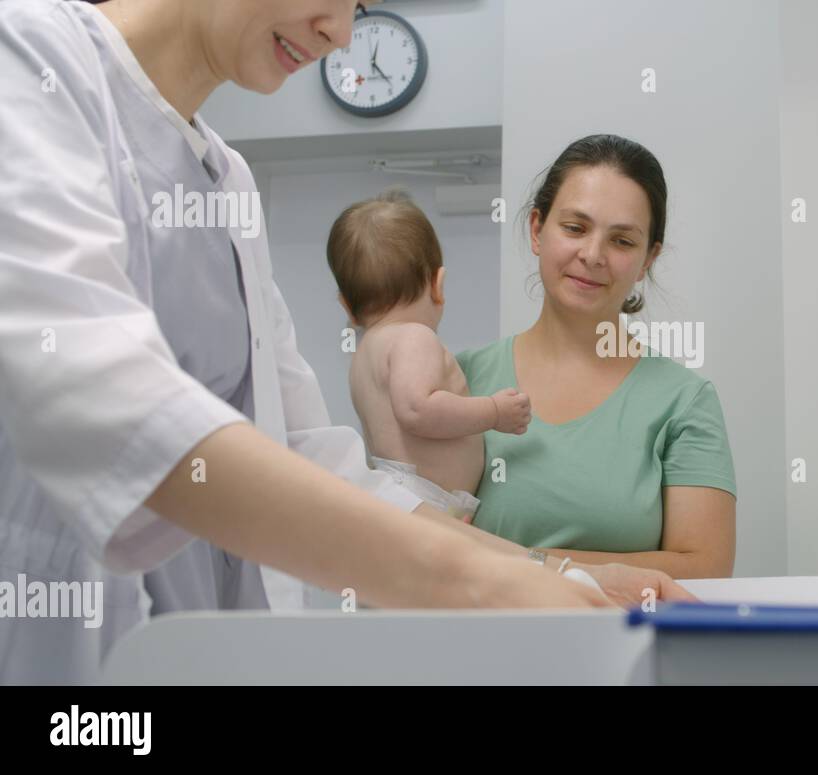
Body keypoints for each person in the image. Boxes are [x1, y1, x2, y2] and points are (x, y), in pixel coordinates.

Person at [0, 0, 689, 685]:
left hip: (201, 656)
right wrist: (473, 582)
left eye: (357, 7)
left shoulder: (227, 180)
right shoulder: (30, 57)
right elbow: (102, 398)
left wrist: (552, 572)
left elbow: (310, 455)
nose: (340, 34)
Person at [458, 135, 738, 579]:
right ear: (537, 229)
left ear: (648, 259)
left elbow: (704, 569)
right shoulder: (459, 378)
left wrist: (527, 563)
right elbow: (408, 536)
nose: (592, 255)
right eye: (575, 228)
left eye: (622, 241)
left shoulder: (684, 402)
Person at [325, 188, 530, 523]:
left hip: (409, 497)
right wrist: (494, 412)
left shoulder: (363, 356)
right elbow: (417, 409)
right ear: (438, 285)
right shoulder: (413, 336)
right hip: (421, 500)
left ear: (346, 306)